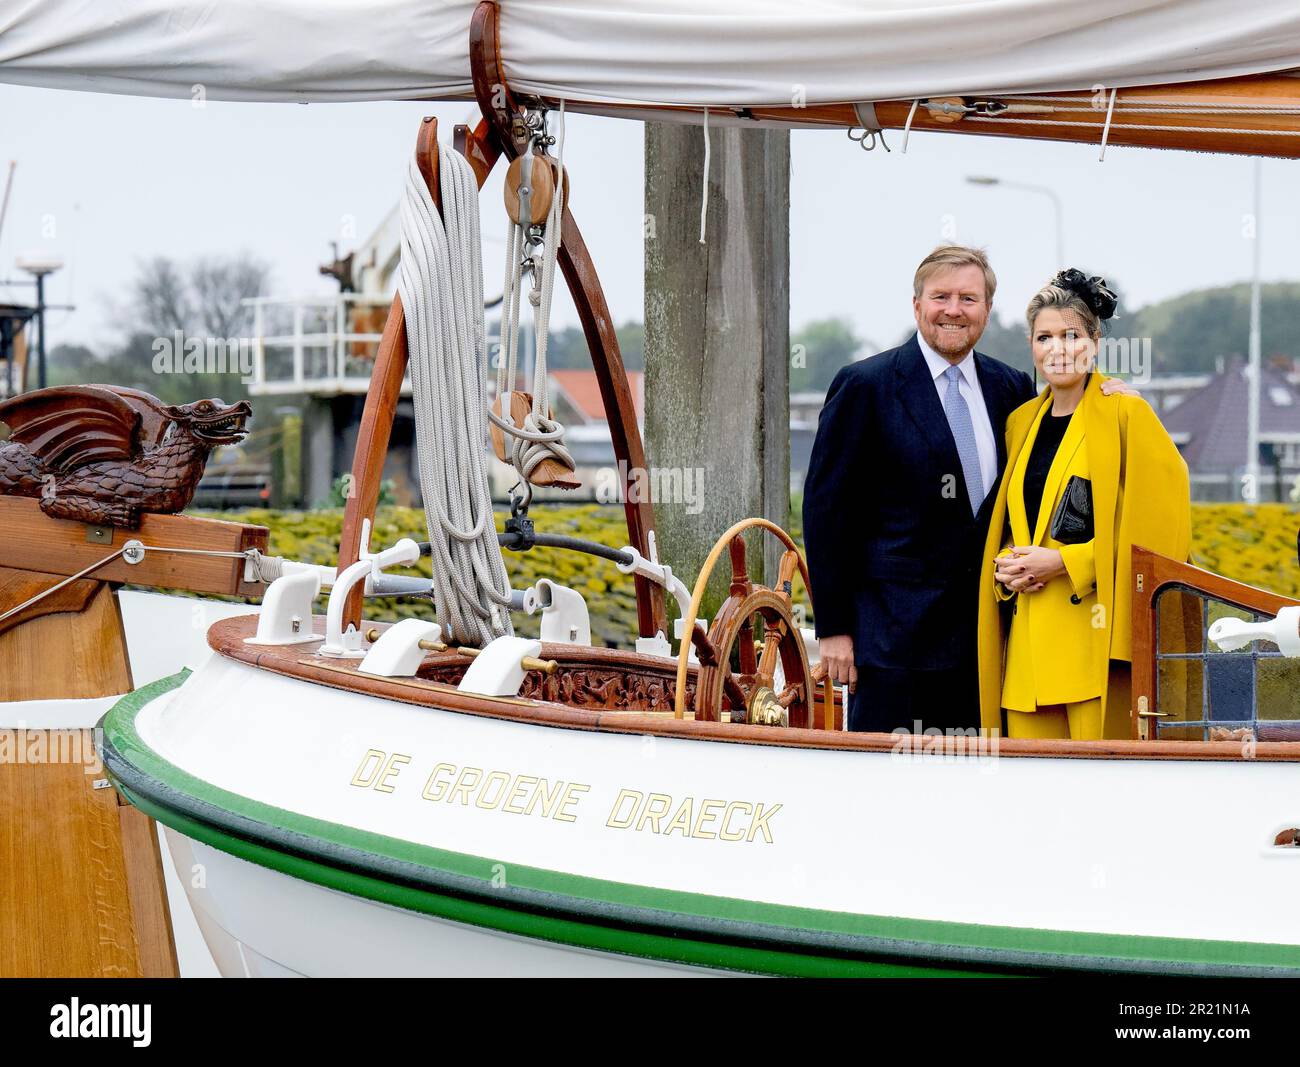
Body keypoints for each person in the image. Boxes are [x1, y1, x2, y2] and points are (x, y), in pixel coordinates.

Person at [976, 269, 1191, 740]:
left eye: (1072, 335)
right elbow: (1017, 520)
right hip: (1028, 661)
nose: (1058, 348)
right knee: (1031, 802)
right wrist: (1009, 565)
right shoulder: (1020, 423)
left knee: (1104, 800)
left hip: (1095, 653)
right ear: (1031, 346)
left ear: (1095, 342)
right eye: (1044, 337)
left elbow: (1162, 541)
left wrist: (1064, 561)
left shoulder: (1128, 414)